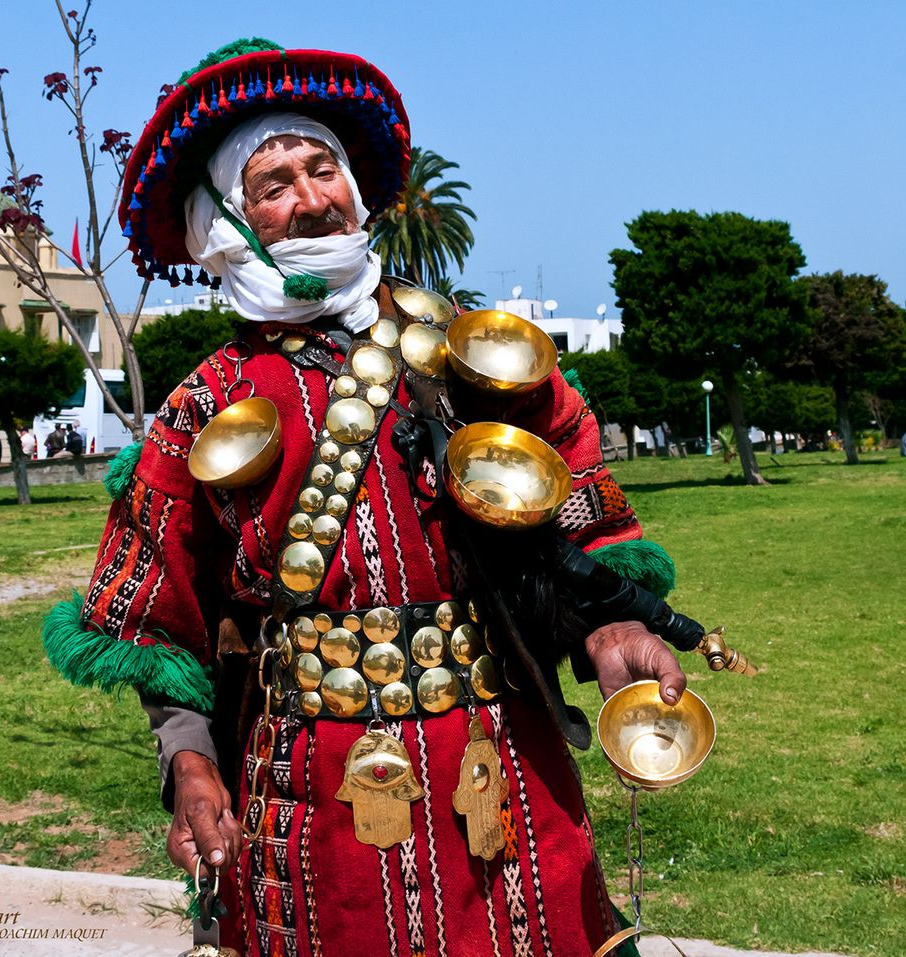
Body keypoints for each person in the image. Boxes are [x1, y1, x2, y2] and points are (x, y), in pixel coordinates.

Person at [44, 38, 689, 957]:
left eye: (324, 169)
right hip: (310, 802)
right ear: (224, 222)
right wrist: (189, 761)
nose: (312, 199)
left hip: (498, 763)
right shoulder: (203, 406)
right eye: (273, 184)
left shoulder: (474, 354)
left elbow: (578, 495)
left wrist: (605, 622)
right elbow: (156, 618)